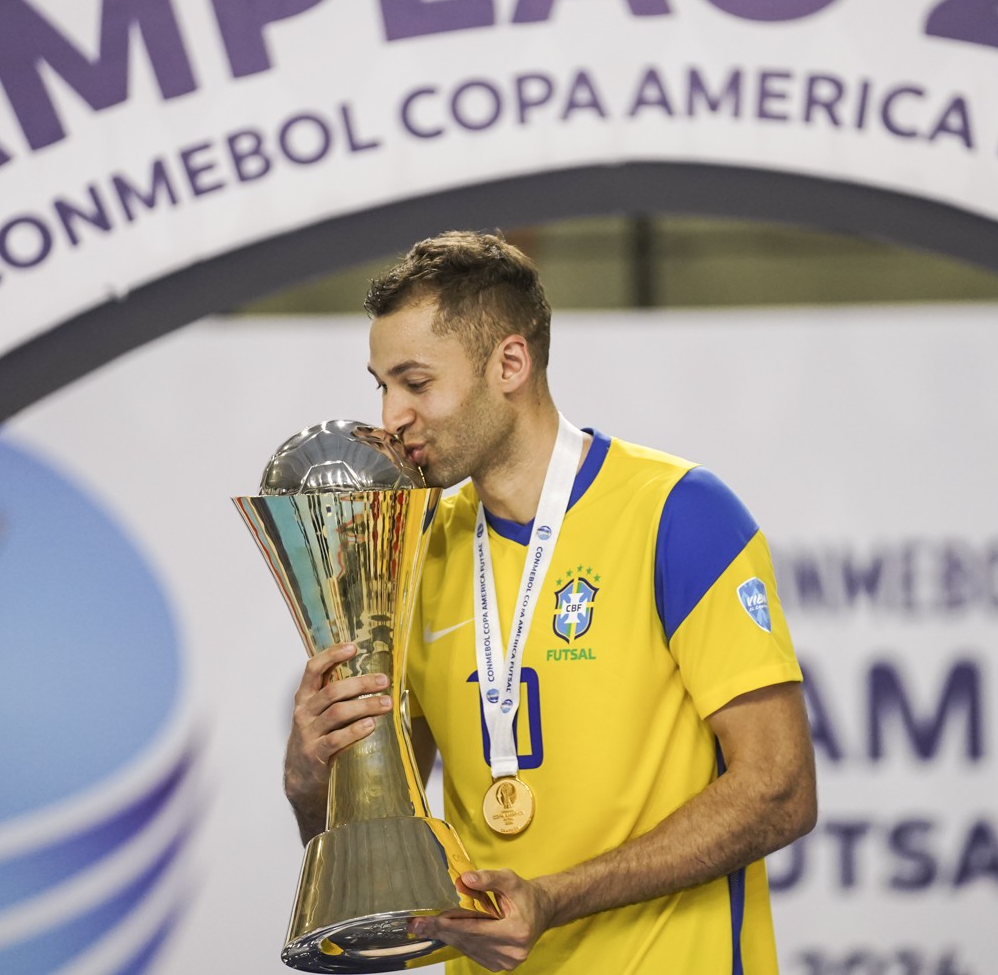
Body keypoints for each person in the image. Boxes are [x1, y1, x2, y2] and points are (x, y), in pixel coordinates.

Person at [284, 230, 816, 973]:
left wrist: (555, 898)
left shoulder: (676, 512)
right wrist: (315, 777)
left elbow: (780, 788)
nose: (391, 415)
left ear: (509, 363)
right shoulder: (417, 548)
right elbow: (376, 841)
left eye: (414, 382)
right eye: (381, 384)